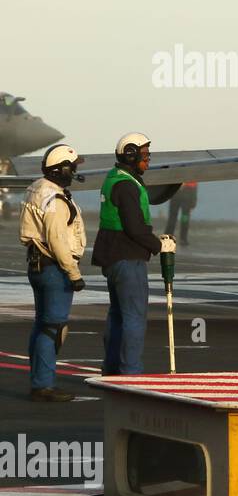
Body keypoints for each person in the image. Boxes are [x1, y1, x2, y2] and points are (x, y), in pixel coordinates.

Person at [90, 132, 175, 375]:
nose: (147, 159)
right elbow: (135, 228)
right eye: (144, 154)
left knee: (118, 315)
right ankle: (131, 373)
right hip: (128, 258)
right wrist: (159, 246)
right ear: (130, 154)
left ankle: (112, 369)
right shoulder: (127, 185)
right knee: (134, 318)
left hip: (113, 256)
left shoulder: (114, 178)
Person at [18, 145, 87, 401]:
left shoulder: (36, 188)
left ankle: (39, 382)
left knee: (42, 324)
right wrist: (74, 273)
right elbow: (57, 240)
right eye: (73, 166)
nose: (75, 171)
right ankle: (44, 386)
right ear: (62, 169)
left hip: (37, 266)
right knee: (53, 327)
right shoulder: (55, 199)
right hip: (54, 268)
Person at [165, 181, 198, 245]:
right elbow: (194, 183)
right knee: (185, 217)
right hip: (187, 193)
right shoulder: (191, 172)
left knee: (172, 217)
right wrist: (194, 199)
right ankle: (183, 239)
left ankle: (167, 238)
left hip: (176, 192)